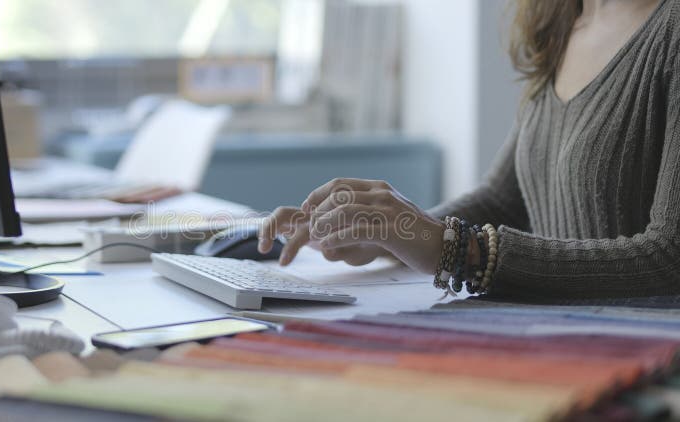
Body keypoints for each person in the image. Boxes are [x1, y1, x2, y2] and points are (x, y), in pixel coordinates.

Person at [258, 0, 680, 301]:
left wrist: (457, 250)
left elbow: (669, 257)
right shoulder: (563, 17)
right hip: (564, 340)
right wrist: (389, 234)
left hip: (646, 364)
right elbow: (504, 198)